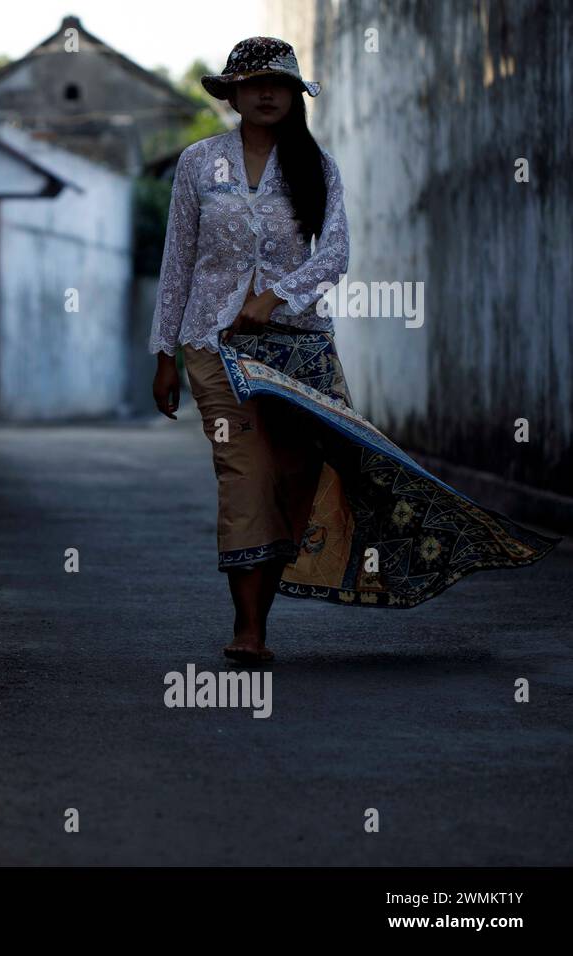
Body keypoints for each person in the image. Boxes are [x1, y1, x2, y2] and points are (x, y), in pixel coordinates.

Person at [148, 37, 558, 663]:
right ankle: (248, 630)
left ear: (294, 96)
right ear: (230, 93)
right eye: (253, 83)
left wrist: (275, 297)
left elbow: (335, 253)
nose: (266, 94)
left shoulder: (317, 167)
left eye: (279, 84)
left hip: (299, 351)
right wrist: (163, 355)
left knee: (294, 479)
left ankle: (272, 607)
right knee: (244, 476)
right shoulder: (200, 165)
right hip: (214, 346)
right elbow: (177, 258)